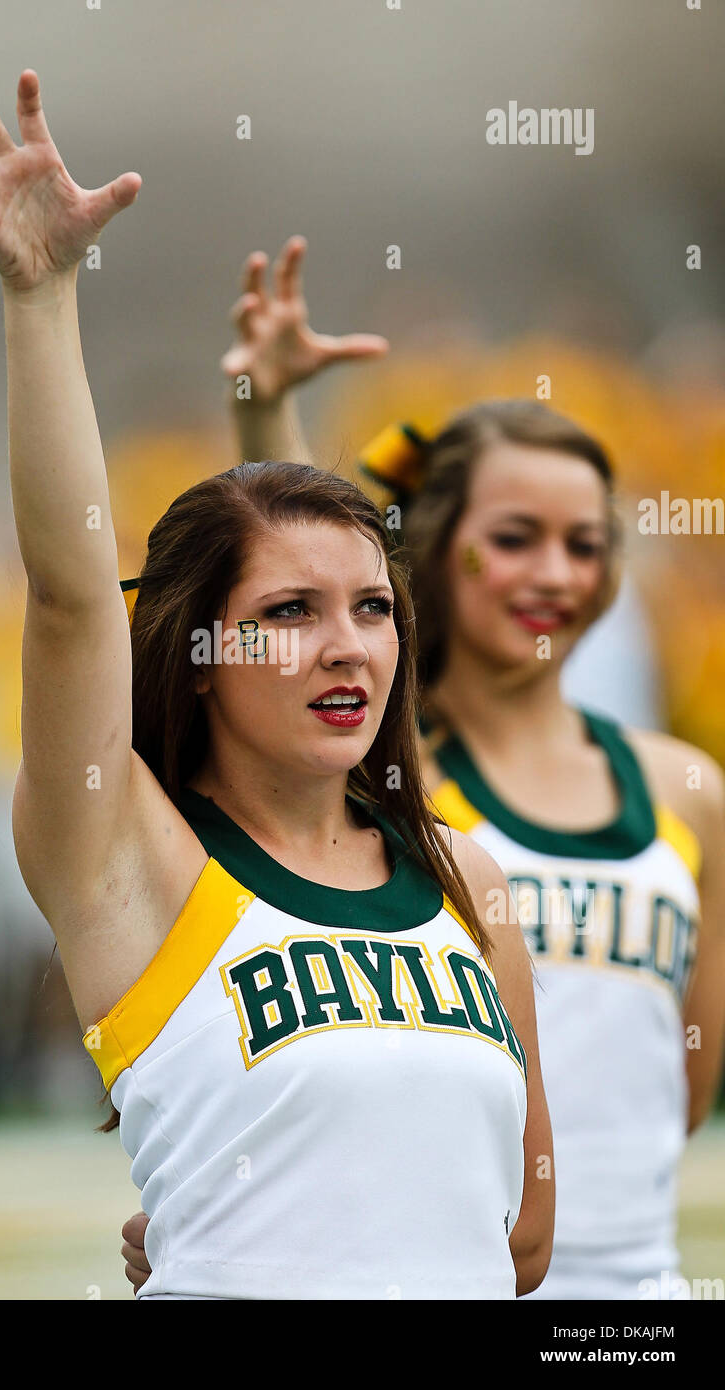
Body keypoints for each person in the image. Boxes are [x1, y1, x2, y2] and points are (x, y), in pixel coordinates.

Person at [0, 73, 553, 1300]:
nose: (353, 648)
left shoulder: (466, 881)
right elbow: (71, 602)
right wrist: (42, 296)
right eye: (290, 615)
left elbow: (526, 1248)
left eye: (375, 609)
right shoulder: (130, 857)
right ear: (198, 656)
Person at [120, 239, 725, 1300]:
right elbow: (298, 556)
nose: (553, 573)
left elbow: (682, 1094)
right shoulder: (384, 790)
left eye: (587, 544)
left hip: (625, 1296)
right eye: (514, 537)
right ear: (437, 555)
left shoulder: (687, 793)